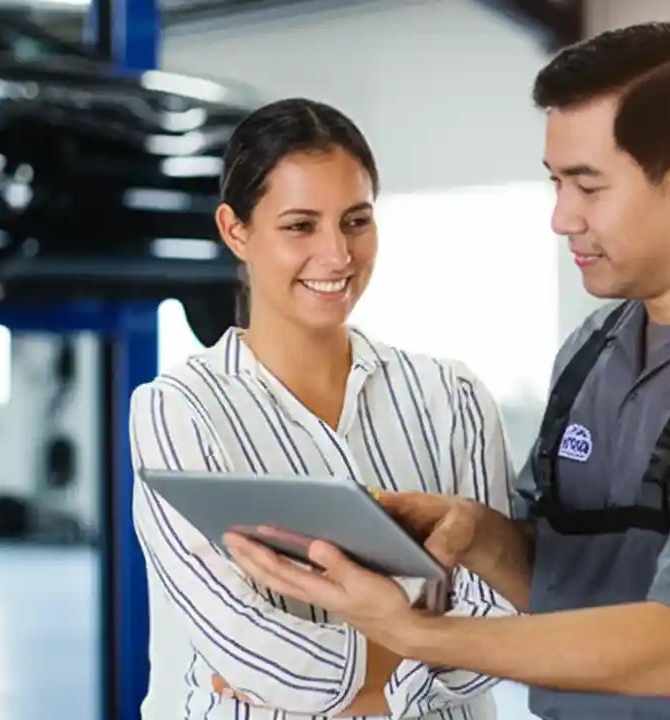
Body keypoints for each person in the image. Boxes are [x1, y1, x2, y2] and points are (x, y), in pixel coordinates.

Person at [223, 21, 670, 720]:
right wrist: (477, 534)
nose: (561, 217)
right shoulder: (594, 350)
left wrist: (415, 634)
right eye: (555, 182)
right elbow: (558, 584)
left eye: (588, 187)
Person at [127, 97, 518, 720]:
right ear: (235, 231)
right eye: (300, 226)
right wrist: (432, 646)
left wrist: (359, 683)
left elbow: (506, 618)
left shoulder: (453, 398)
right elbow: (253, 653)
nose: (338, 255)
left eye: (356, 221)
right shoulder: (179, 411)